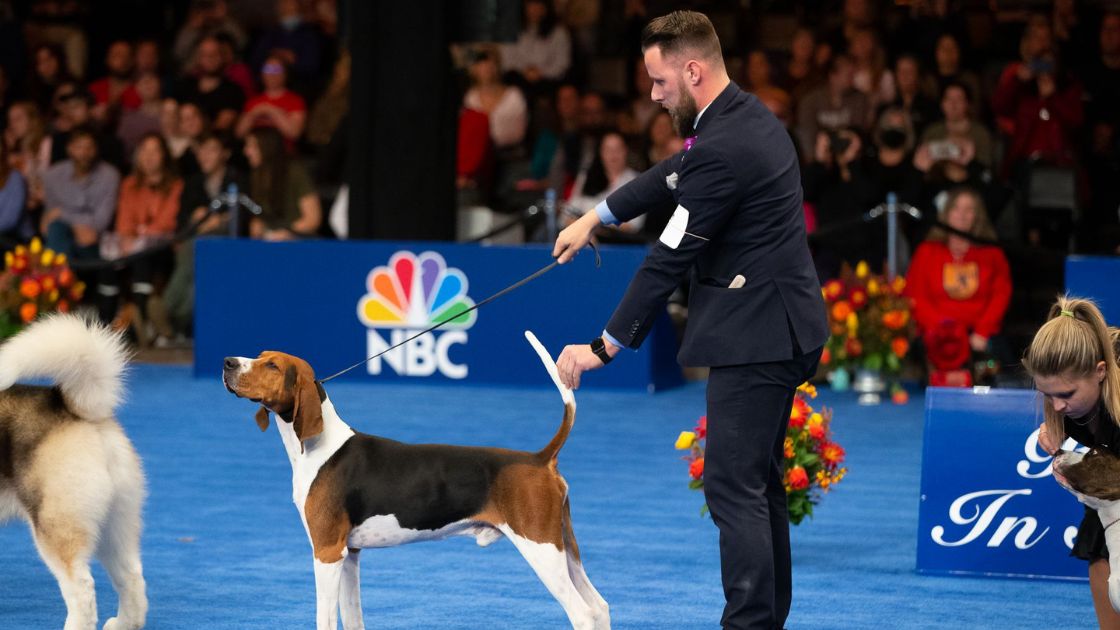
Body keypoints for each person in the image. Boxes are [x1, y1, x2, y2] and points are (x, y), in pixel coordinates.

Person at [551, 11, 828, 629]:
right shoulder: (745, 116)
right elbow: (673, 172)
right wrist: (595, 216)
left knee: (733, 488)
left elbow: (667, 259)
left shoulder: (724, 147)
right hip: (780, 325)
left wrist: (603, 346)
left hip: (757, 337)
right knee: (757, 483)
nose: (653, 95)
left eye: (660, 81)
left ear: (693, 71)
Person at [1029, 296, 1120, 630]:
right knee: (1100, 537)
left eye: (1066, 395)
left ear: (1100, 372)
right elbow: (1105, 496)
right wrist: (1059, 438)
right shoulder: (1068, 406)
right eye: (1047, 394)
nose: (1057, 406)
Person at [904, 187, 1011, 376]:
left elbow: (1000, 295)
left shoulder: (992, 253)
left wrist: (982, 332)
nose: (962, 215)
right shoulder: (927, 251)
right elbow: (915, 296)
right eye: (956, 208)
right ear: (946, 213)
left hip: (979, 336)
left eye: (969, 209)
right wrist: (943, 331)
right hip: (936, 334)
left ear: (977, 216)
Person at [243, 126, 320, 240]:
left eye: (252, 146)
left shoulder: (294, 172)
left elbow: (312, 219)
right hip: (269, 240)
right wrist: (258, 224)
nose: (246, 151)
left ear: (267, 147)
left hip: (299, 241)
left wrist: (287, 232)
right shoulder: (257, 176)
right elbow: (261, 215)